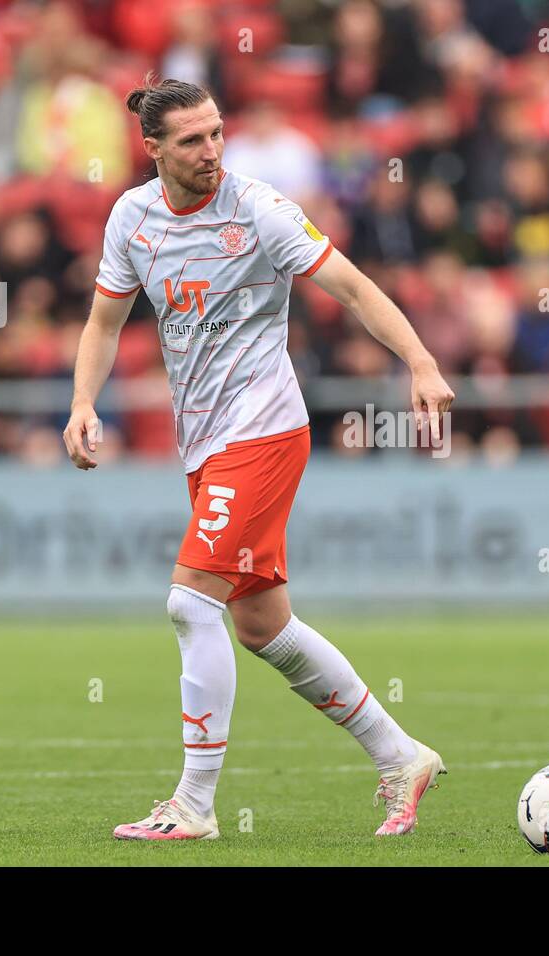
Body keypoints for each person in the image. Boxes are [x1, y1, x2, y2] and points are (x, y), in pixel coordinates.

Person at [62, 76, 455, 840]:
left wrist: (420, 361)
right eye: (191, 140)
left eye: (217, 133)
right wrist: (83, 403)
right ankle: (401, 755)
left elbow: (349, 287)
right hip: (205, 444)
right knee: (262, 625)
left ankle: (194, 805)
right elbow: (104, 324)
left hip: (266, 431)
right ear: (152, 150)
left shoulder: (260, 211)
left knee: (188, 602)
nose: (211, 150)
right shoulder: (131, 218)